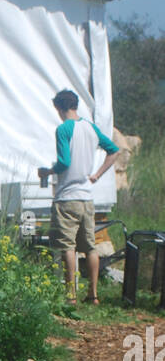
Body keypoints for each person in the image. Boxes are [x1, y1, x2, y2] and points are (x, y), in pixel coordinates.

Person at [41, 88, 120, 305]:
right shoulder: (90, 127)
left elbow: (64, 162)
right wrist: (96, 175)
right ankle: (93, 295)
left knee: (68, 246)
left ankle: (70, 296)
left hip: (67, 196)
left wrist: (48, 171)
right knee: (90, 247)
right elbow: (114, 150)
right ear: (75, 105)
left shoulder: (63, 129)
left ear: (59, 108)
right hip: (87, 197)